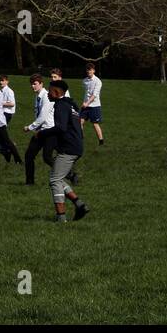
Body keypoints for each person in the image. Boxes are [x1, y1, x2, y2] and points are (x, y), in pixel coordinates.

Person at [44, 81, 90, 223]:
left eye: (50, 91)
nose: (47, 93)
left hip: (69, 148)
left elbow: (61, 127)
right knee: (57, 177)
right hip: (76, 146)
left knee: (55, 180)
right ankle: (79, 205)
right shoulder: (71, 105)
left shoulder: (61, 106)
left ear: (57, 93)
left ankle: (61, 218)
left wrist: (42, 133)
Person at [22, 74, 54, 186]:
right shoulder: (38, 96)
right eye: (31, 84)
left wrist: (30, 127)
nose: (33, 86)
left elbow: (43, 117)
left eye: (35, 84)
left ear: (41, 84)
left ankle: (71, 175)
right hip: (41, 131)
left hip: (50, 131)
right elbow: (38, 116)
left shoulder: (47, 96)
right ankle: (29, 182)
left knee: (47, 158)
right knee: (29, 155)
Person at [81, 64, 105, 145]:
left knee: (95, 124)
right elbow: (86, 93)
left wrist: (87, 103)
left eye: (90, 70)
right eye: (87, 70)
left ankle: (101, 141)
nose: (88, 71)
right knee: (80, 122)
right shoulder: (84, 81)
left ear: (94, 71)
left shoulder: (98, 81)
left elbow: (94, 95)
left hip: (95, 106)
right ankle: (80, 138)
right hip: (85, 105)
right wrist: (85, 102)